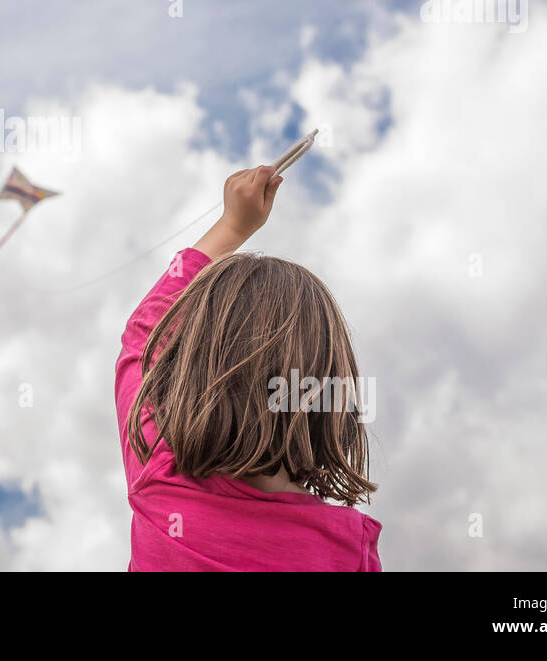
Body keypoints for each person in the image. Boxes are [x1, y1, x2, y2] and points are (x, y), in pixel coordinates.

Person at [117, 164, 382, 570]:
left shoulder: (159, 479)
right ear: (327, 392)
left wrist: (232, 226)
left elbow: (143, 337)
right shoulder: (346, 549)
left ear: (189, 374)